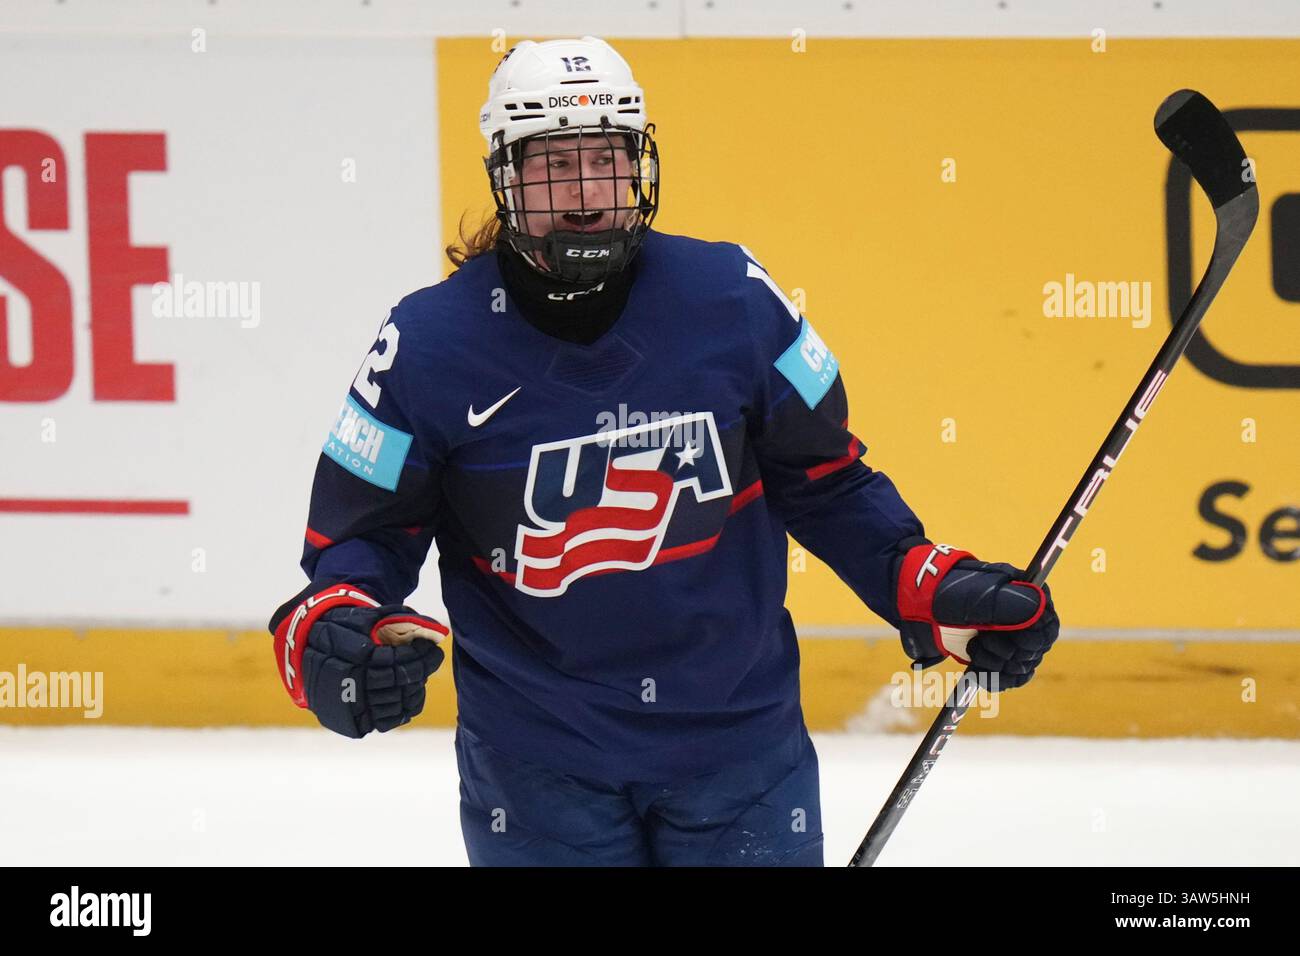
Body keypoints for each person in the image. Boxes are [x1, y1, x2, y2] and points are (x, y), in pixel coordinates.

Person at [268, 36, 1060, 867]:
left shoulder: (733, 299)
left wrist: (924, 585)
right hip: (538, 771)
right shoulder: (426, 346)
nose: (583, 196)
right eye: (552, 165)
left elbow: (825, 482)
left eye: (605, 161)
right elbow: (360, 542)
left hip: (739, 752)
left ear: (638, 167)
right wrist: (336, 628)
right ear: (505, 176)